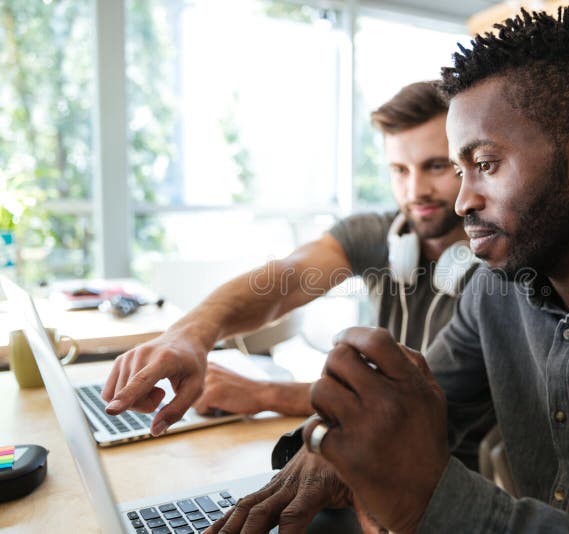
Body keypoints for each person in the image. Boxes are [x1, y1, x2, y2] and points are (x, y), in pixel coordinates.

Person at [206, 7, 569, 534]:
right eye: (460, 170)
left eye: (486, 164)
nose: (463, 200)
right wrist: (333, 450)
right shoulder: (497, 288)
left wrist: (428, 501)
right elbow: (414, 411)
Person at [101, 80, 477, 437]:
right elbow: (288, 278)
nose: (415, 191)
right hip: (372, 448)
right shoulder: (381, 233)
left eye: (436, 166)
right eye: (399, 170)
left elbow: (420, 402)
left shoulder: (499, 266)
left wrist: (265, 394)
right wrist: (190, 335)